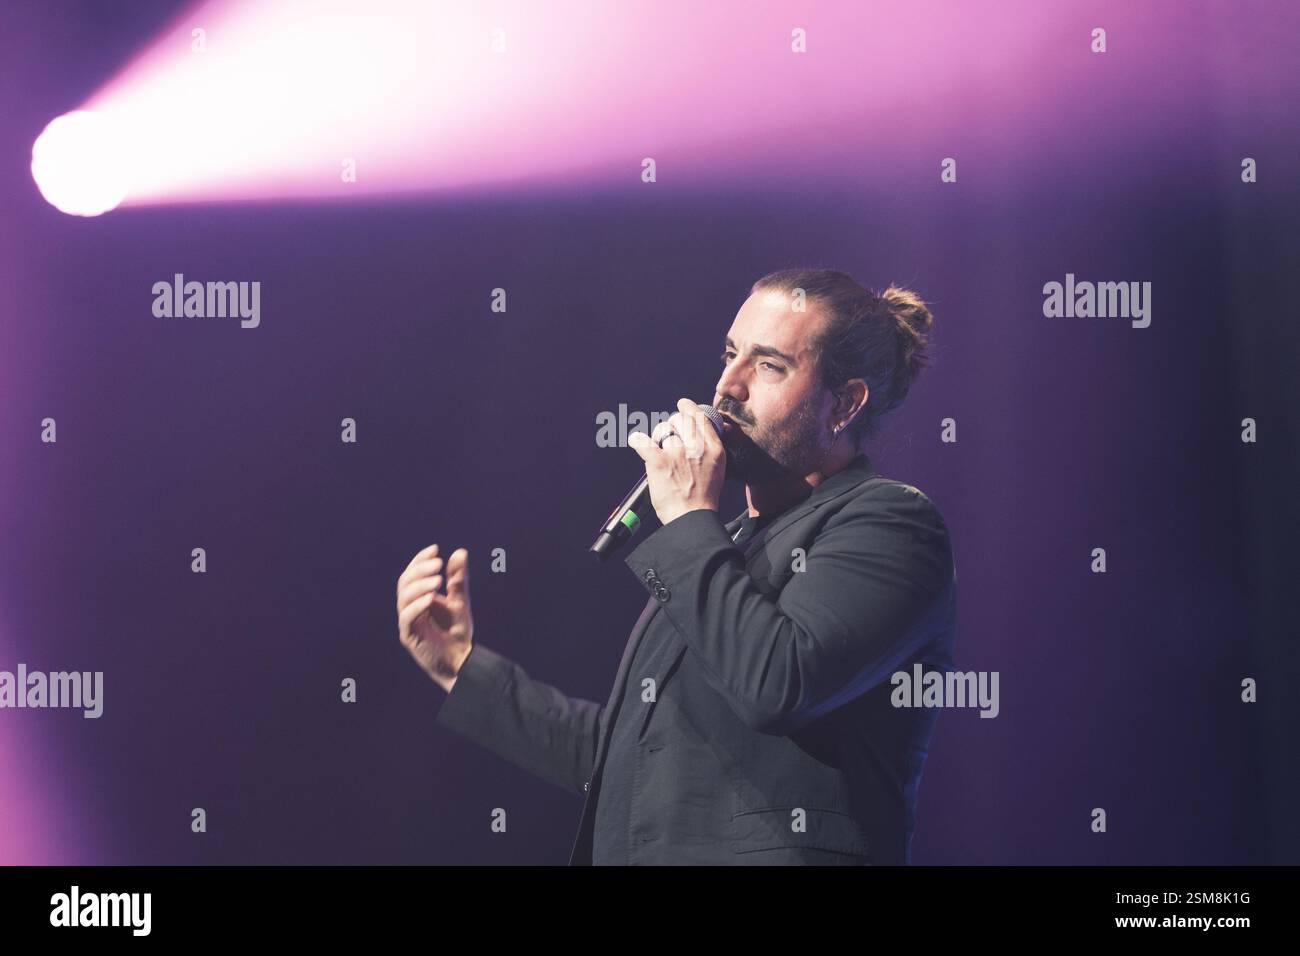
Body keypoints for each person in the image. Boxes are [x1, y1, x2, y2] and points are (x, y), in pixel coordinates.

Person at [395, 268, 957, 865]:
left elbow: (779, 684)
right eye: (730, 354)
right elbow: (625, 756)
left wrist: (690, 516)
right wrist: (463, 668)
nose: (727, 387)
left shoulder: (889, 522)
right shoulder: (726, 546)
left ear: (843, 403)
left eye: (769, 366)